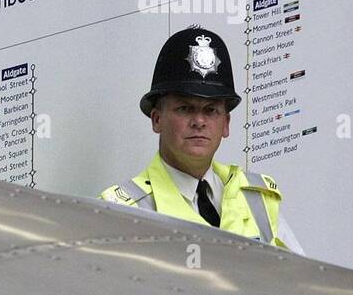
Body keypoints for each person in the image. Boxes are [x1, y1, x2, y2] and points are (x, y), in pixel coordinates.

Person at [100, 27, 303, 254]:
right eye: (185, 108)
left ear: (226, 124)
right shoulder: (121, 213)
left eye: (211, 110)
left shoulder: (256, 198)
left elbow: (298, 282)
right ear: (157, 120)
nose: (199, 121)